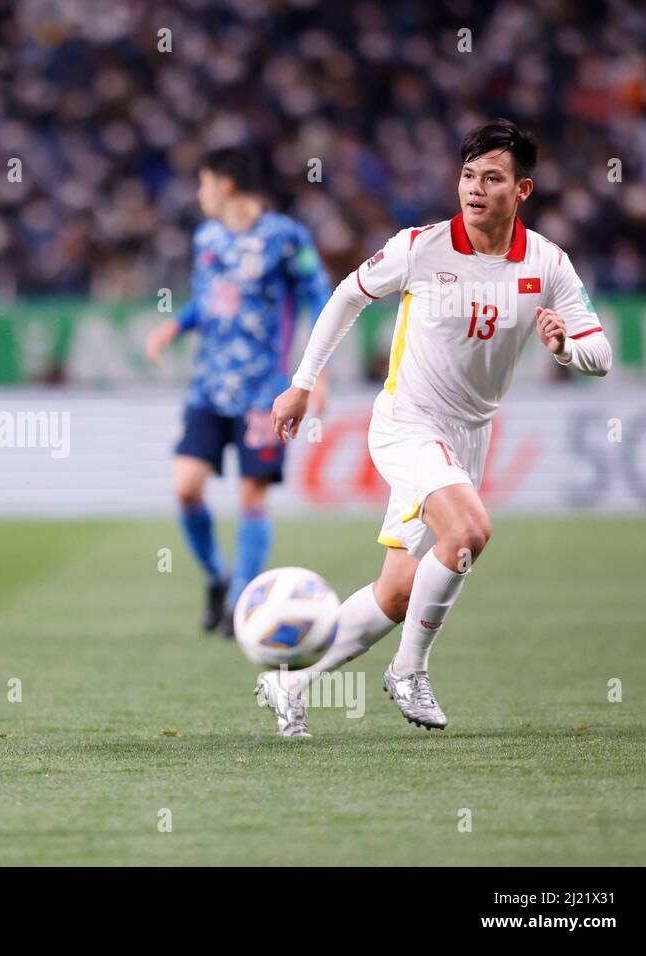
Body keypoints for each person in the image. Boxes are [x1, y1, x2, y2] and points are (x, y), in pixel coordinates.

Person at [262, 120, 613, 737]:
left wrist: (564, 349)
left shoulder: (547, 262)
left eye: (492, 178)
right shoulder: (422, 247)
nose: (475, 189)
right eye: (468, 176)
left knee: (398, 593)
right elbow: (348, 294)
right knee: (471, 529)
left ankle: (289, 683)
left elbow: (600, 354)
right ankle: (409, 670)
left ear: (522, 190)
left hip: (469, 439)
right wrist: (302, 380)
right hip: (408, 423)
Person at [147, 148, 330, 635]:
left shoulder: (286, 238)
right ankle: (217, 576)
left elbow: (322, 298)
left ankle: (242, 601)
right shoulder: (206, 237)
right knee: (186, 488)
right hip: (208, 387)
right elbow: (208, 302)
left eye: (204, 183)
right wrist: (176, 327)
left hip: (263, 393)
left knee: (252, 496)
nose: (199, 194)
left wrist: (317, 374)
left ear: (226, 185)